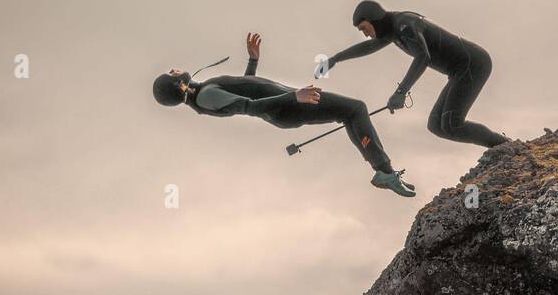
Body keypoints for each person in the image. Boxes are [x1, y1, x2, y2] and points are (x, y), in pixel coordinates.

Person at [153, 33, 415, 197]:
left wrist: (253, 61)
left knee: (351, 113)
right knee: (355, 109)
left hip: (287, 104)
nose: (176, 70)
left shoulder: (202, 93)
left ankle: (383, 171)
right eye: (172, 73)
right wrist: (294, 97)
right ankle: (384, 172)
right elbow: (250, 107)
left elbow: (249, 91)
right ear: (177, 85)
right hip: (287, 106)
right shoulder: (204, 96)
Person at [319, 0, 509, 149]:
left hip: (473, 63)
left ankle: (504, 147)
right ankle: (502, 147)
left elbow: (422, 57)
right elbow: (367, 47)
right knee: (436, 125)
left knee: (451, 124)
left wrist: (401, 92)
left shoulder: (404, 24)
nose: (365, 34)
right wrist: (335, 59)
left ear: (373, 19)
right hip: (459, 70)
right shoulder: (392, 30)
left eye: (364, 29)